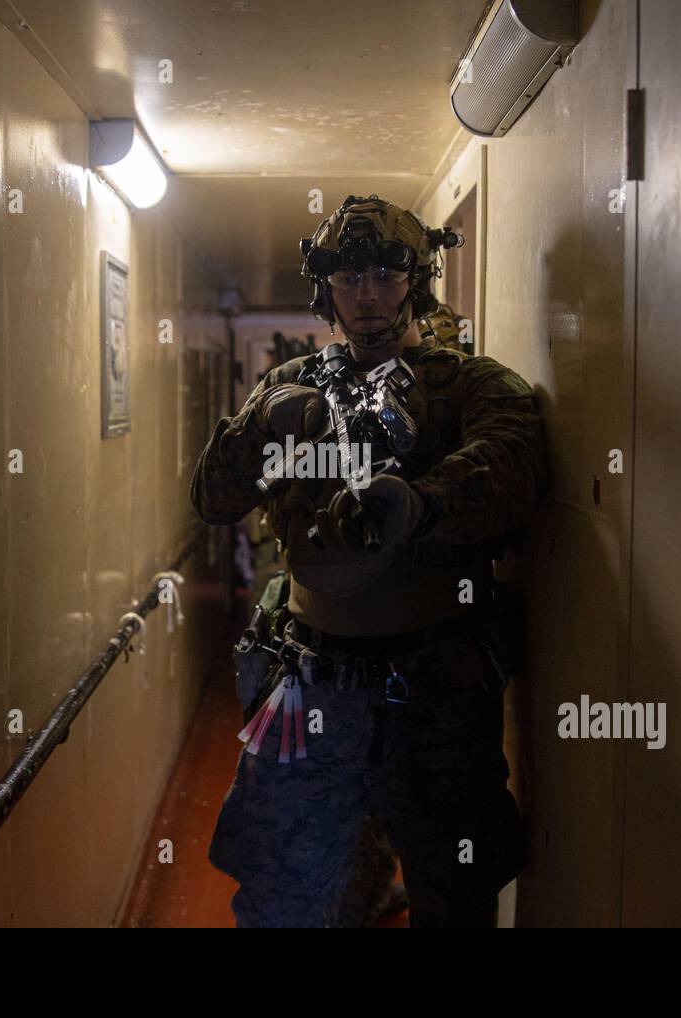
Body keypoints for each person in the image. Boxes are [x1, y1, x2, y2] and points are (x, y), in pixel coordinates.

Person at [190, 194, 547, 927]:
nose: (369, 295)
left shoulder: (472, 385)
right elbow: (211, 498)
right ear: (327, 290)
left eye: (386, 275)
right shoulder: (291, 385)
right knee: (281, 891)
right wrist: (257, 428)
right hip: (308, 680)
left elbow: (512, 461)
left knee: (454, 891)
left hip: (431, 688)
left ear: (414, 281)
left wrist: (419, 504)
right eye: (350, 278)